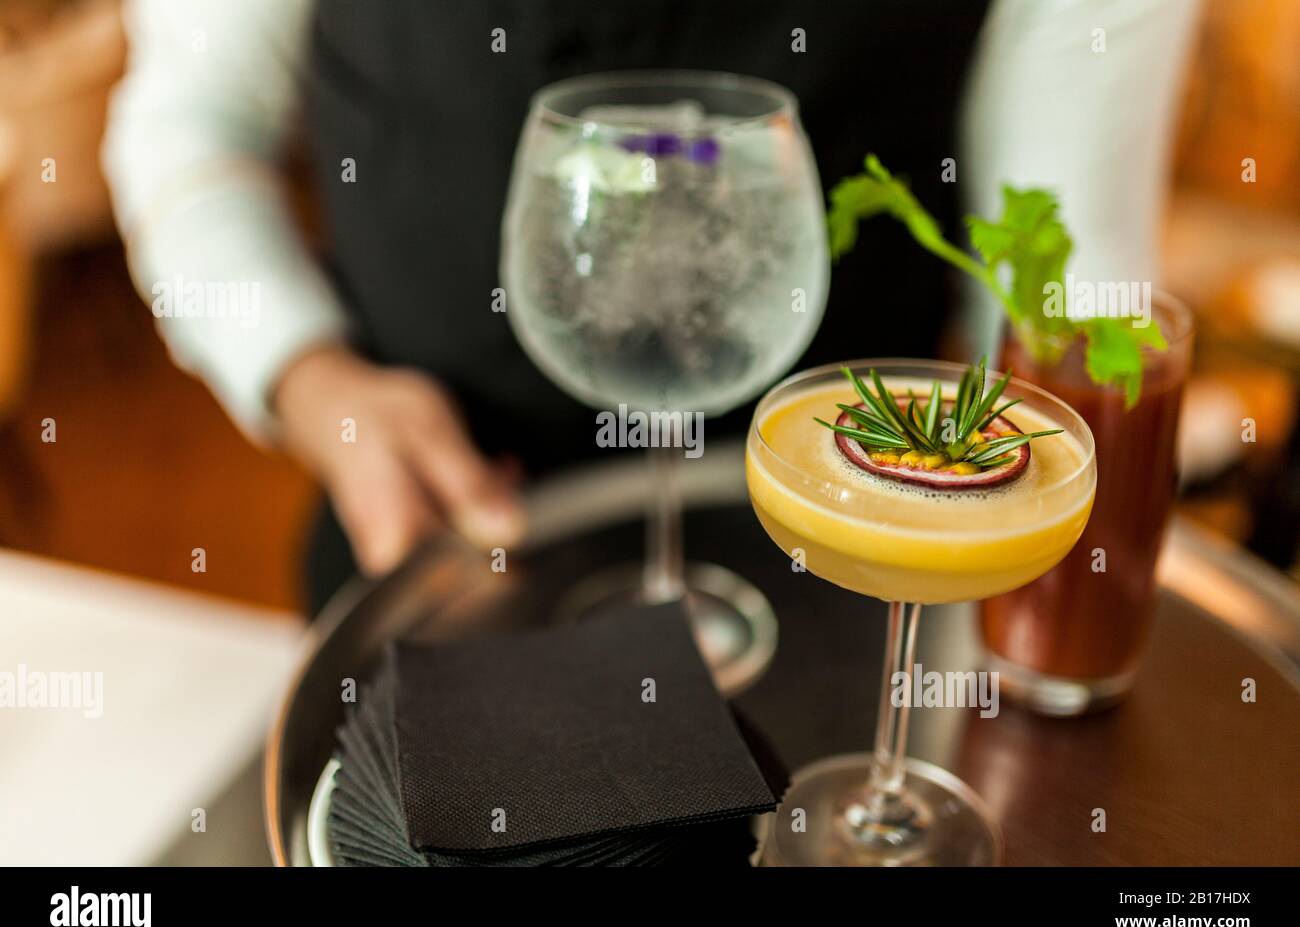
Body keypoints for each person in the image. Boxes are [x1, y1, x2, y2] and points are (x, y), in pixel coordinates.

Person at [102, 0, 1200, 613]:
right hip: (440, 547)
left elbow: (1067, 269)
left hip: (854, 575)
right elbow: (190, 130)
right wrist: (317, 384)